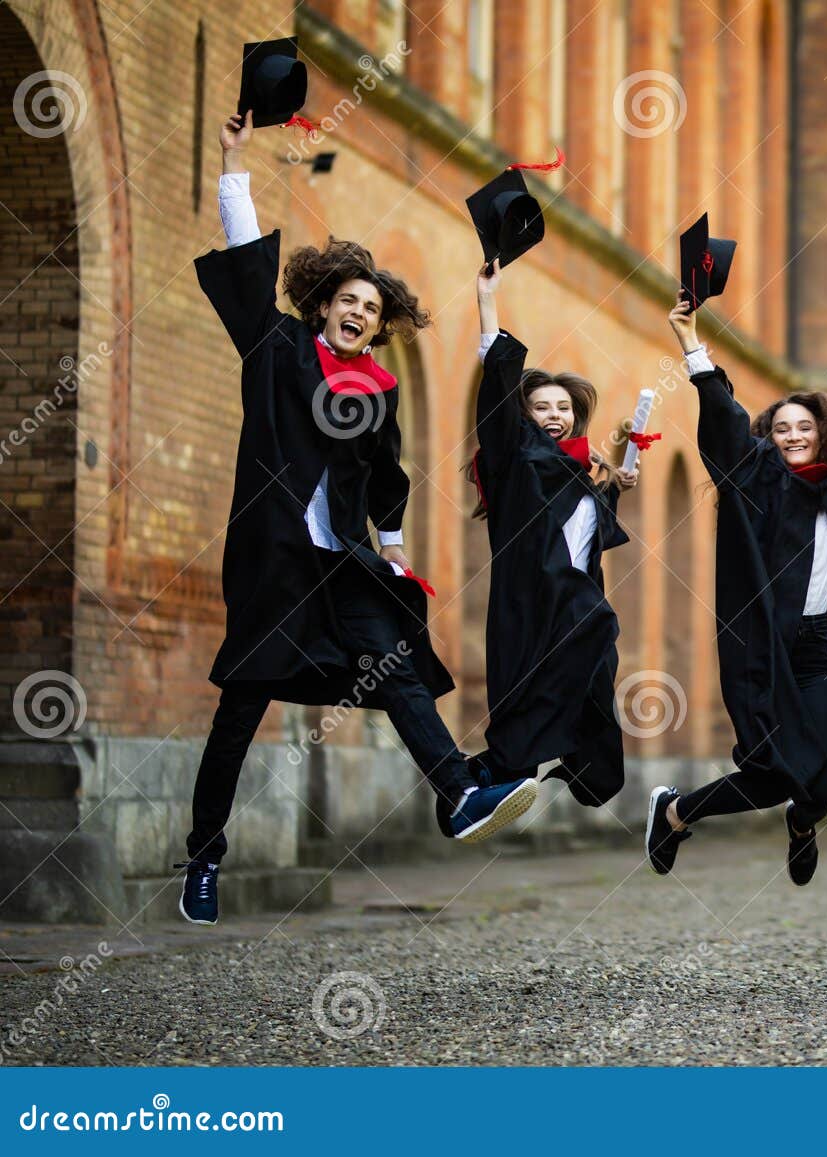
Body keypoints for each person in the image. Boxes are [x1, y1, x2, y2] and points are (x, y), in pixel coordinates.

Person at [178, 113, 537, 925]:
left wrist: (399, 555)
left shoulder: (377, 389)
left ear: (381, 324)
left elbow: (386, 478)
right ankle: (203, 857)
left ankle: (457, 795)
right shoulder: (276, 351)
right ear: (323, 304)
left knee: (396, 666)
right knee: (239, 712)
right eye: (348, 300)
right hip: (272, 561)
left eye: (372, 308)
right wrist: (233, 161)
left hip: (340, 562)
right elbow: (242, 264)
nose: (359, 314)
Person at [645, 295, 827, 885]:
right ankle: (673, 812)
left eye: (805, 427)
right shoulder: (758, 484)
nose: (794, 436)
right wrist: (693, 348)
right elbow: (721, 418)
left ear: (824, 434)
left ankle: (795, 824)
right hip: (764, 642)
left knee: (817, 789)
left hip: (817, 644)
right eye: (782, 428)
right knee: (773, 769)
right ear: (770, 437)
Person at [449, 258, 637, 824]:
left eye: (564, 409)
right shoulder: (515, 460)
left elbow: (584, 536)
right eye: (542, 408)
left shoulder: (576, 473)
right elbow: (499, 391)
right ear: (524, 415)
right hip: (534, 604)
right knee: (586, 637)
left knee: (596, 709)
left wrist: (614, 487)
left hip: (573, 601)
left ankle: (497, 776)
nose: (554, 416)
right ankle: (494, 772)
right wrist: (488, 304)